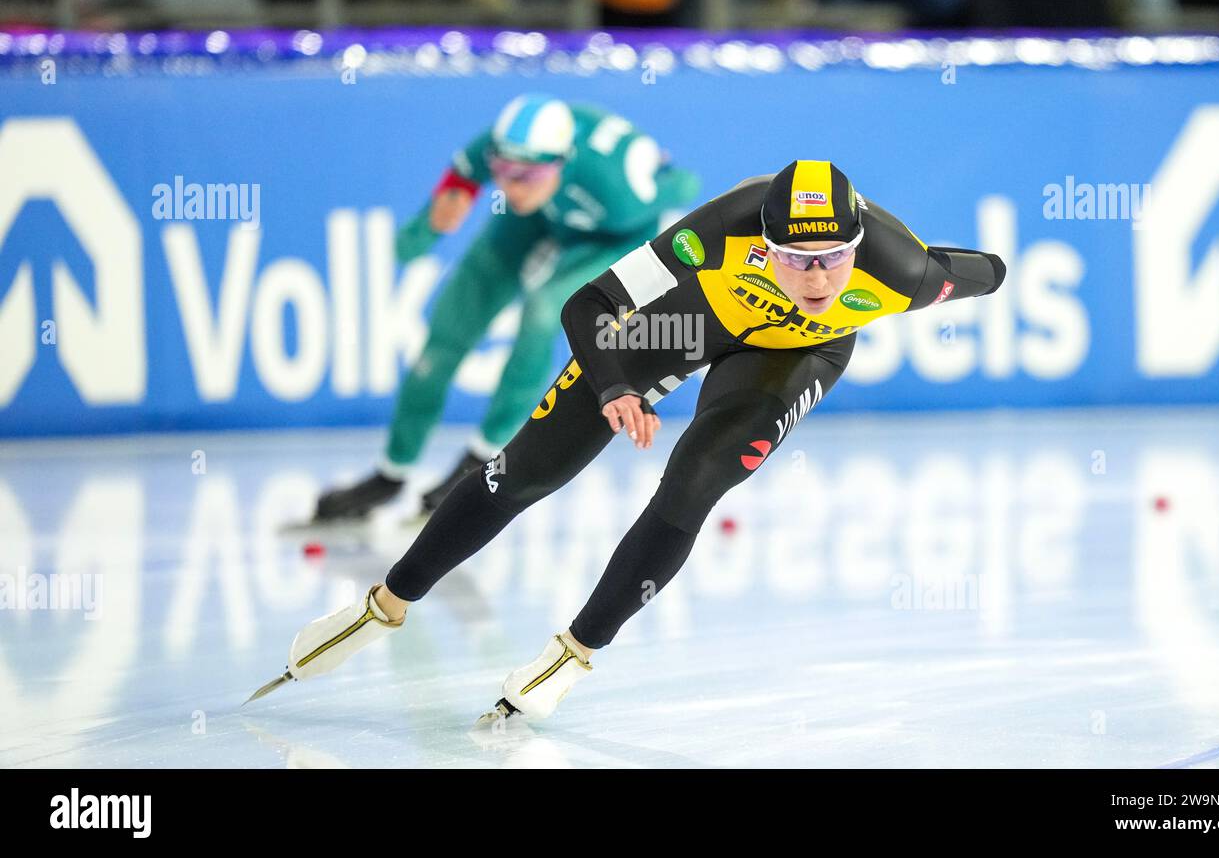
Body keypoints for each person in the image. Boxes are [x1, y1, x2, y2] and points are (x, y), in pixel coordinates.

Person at [250, 160, 1005, 720]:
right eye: (796, 258)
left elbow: (979, 272)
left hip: (794, 355)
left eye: (834, 258)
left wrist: (992, 269)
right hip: (690, 317)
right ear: (763, 241)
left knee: (695, 483)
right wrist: (615, 388)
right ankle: (384, 603)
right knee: (525, 471)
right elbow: (590, 302)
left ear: (858, 243)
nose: (816, 277)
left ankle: (575, 651)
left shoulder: (904, 273)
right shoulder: (722, 228)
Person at [310, 93, 700, 522]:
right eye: (501, 172)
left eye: (526, 175)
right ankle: (390, 474)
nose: (509, 186)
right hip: (537, 217)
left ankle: (480, 459)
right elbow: (405, 249)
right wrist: (431, 227)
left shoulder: (622, 187)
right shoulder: (496, 148)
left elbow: (688, 187)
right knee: (446, 333)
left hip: (611, 235)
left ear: (562, 161)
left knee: (546, 309)